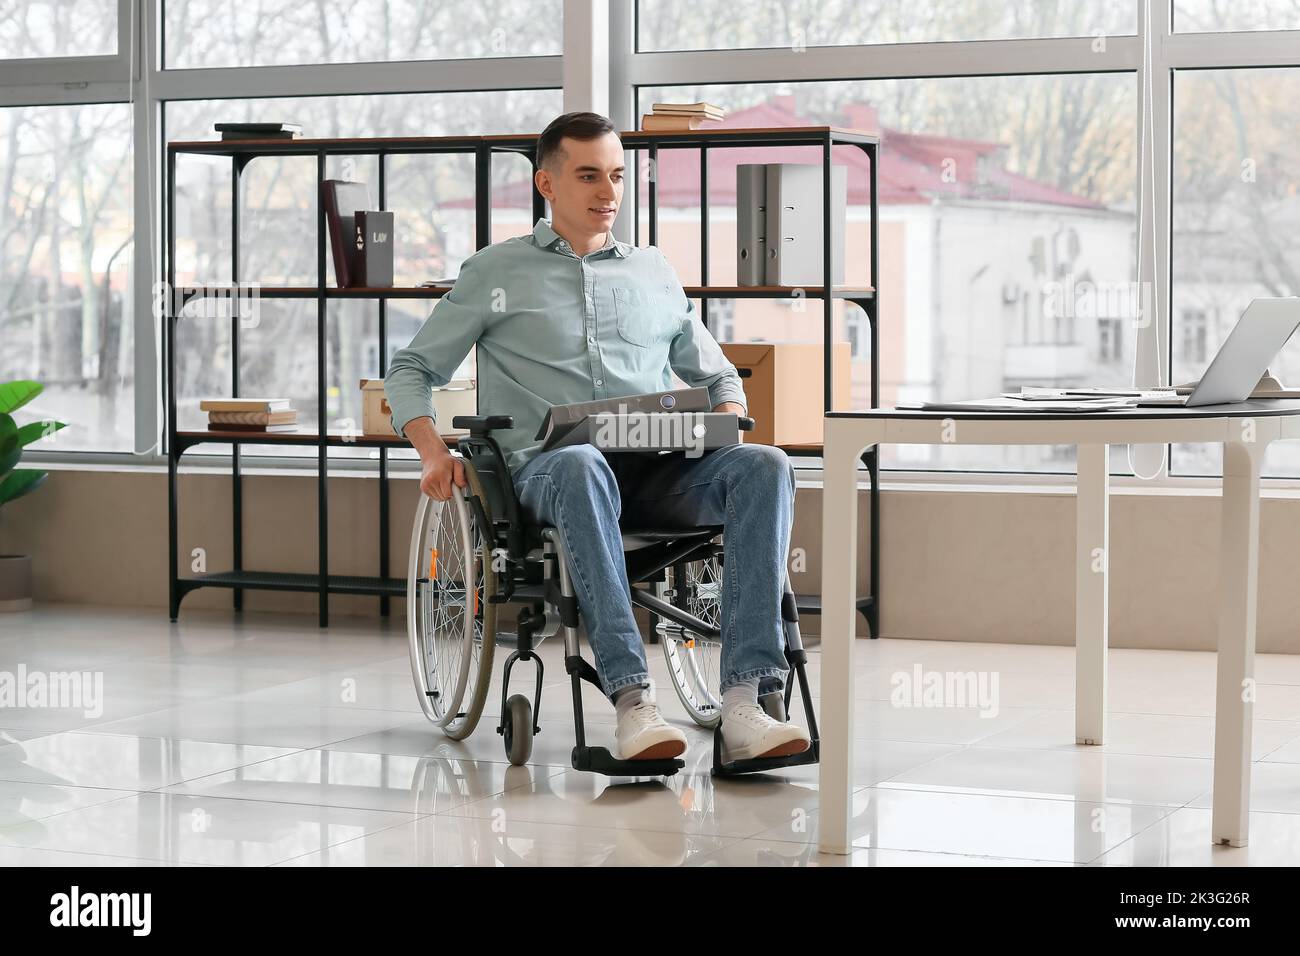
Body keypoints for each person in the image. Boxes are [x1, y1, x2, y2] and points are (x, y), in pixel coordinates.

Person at [385, 111, 810, 764]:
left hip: (656, 469)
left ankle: (747, 700)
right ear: (547, 184)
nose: (607, 192)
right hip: (551, 474)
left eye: (615, 176)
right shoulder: (496, 272)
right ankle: (633, 700)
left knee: (765, 465)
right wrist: (432, 452)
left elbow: (718, 371)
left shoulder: (652, 271)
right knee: (581, 461)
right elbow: (413, 368)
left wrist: (724, 410)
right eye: (588, 176)